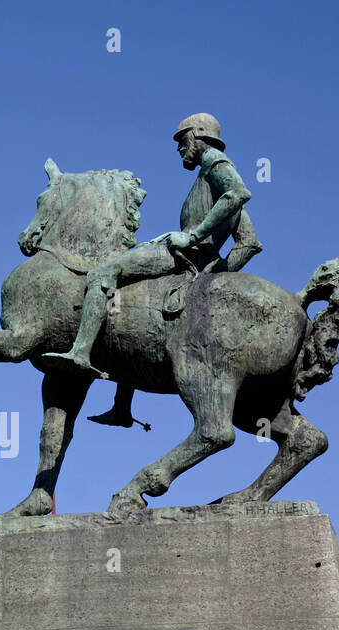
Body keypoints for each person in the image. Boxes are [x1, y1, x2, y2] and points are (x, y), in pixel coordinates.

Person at [43, 113, 263, 428]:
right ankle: (121, 408)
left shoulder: (215, 163)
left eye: (181, 141)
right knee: (131, 301)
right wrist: (213, 273)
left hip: (181, 255)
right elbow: (250, 243)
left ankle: (79, 353)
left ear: (196, 136)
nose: (179, 149)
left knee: (104, 273)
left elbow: (239, 192)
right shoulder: (210, 180)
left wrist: (194, 236)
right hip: (197, 262)